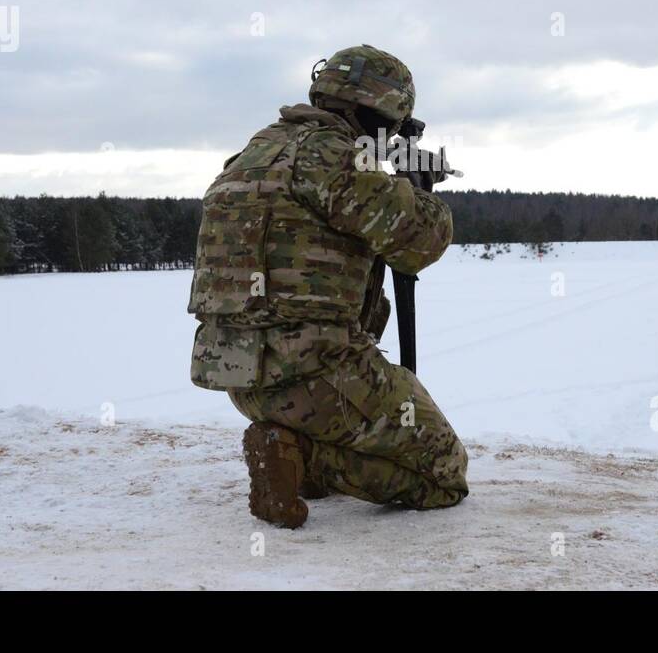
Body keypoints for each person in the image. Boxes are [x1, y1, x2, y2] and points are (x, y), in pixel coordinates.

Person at [188, 45, 468, 528]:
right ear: (379, 111)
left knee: (360, 422)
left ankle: (296, 452)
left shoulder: (254, 151)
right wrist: (418, 186)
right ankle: (302, 455)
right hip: (313, 372)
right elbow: (422, 241)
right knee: (444, 474)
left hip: (237, 375)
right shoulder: (339, 159)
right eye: (395, 127)